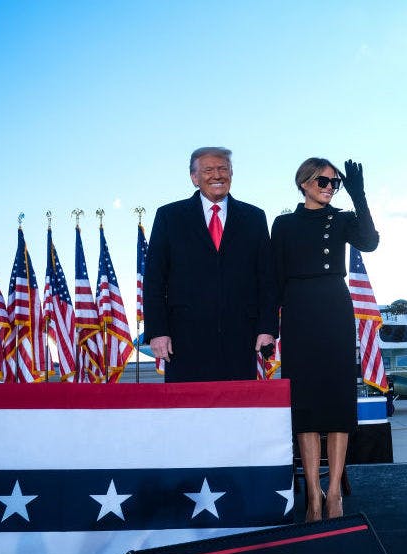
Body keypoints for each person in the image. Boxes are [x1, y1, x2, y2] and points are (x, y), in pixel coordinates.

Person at [272, 158, 379, 522]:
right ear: (304, 182)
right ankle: (313, 497)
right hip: (299, 311)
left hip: (334, 307)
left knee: (336, 402)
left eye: (335, 182)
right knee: (306, 406)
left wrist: (359, 195)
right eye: (323, 180)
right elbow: (274, 277)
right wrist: (270, 326)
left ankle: (334, 493)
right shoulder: (283, 224)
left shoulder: (343, 219)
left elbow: (370, 241)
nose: (330, 186)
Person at [143, 147, 278, 382]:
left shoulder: (254, 217)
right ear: (194, 178)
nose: (217, 175)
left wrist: (267, 328)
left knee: (238, 413)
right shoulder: (169, 216)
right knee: (188, 413)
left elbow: (266, 278)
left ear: (231, 174)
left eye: (223, 168)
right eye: (208, 170)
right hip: (183, 340)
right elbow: (154, 279)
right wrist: (157, 332)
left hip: (240, 339)